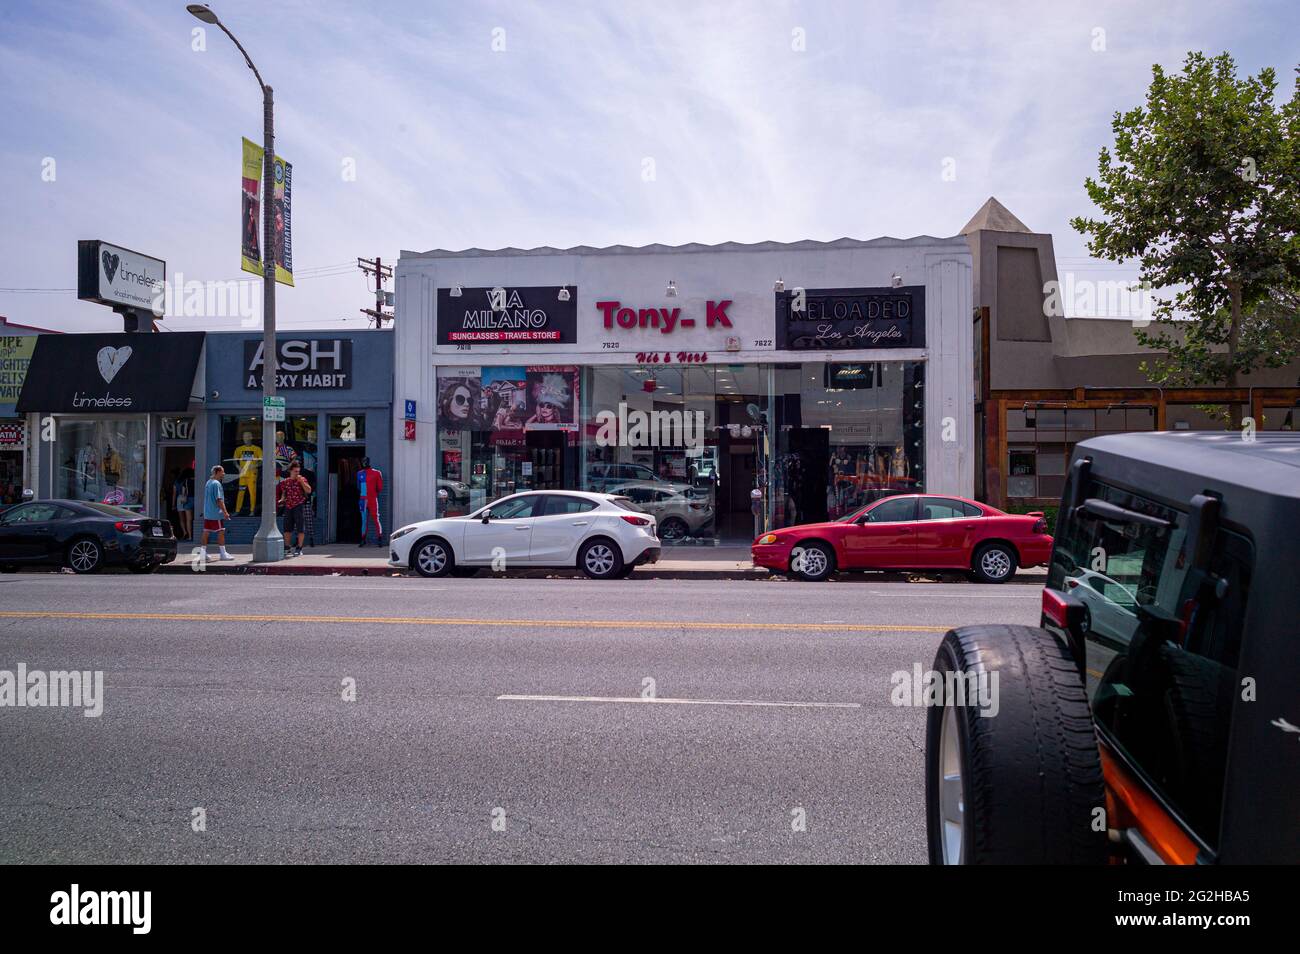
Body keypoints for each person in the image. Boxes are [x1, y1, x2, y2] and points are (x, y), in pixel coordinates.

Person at [277, 460, 311, 557]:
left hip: (299, 505)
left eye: (298, 471)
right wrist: (281, 500)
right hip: (288, 506)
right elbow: (284, 494)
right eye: (295, 471)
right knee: (287, 528)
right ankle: (287, 547)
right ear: (290, 471)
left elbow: (308, 490)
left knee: (300, 528)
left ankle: (299, 548)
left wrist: (301, 482)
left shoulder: (302, 479)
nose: (297, 473)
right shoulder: (285, 482)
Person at [201, 465, 234, 562]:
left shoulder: (208, 482)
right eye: (222, 472)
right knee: (221, 532)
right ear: (217, 472)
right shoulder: (216, 484)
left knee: (206, 532)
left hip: (208, 513)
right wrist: (225, 512)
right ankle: (223, 554)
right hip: (216, 513)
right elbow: (219, 500)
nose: (223, 474)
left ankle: (203, 554)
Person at [357, 457, 384, 546]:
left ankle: (379, 538)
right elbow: (359, 487)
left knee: (376, 518)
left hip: (371, 499)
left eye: (366, 461)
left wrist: (372, 493)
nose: (364, 463)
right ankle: (363, 539)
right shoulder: (359, 473)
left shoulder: (376, 473)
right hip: (363, 499)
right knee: (364, 520)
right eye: (363, 461)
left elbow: (380, 487)